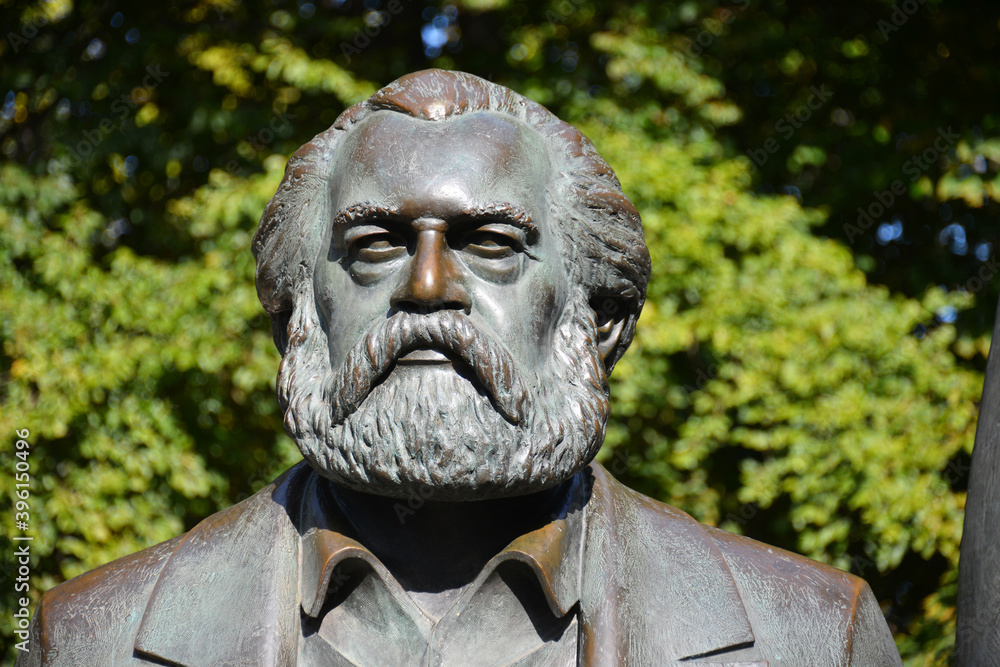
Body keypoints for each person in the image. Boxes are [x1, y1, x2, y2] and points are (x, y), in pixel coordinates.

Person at [18, 69, 902, 666]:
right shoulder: (92, 638)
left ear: (600, 320)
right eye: (373, 244)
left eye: (489, 243)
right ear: (296, 312)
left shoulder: (818, 636)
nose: (429, 285)